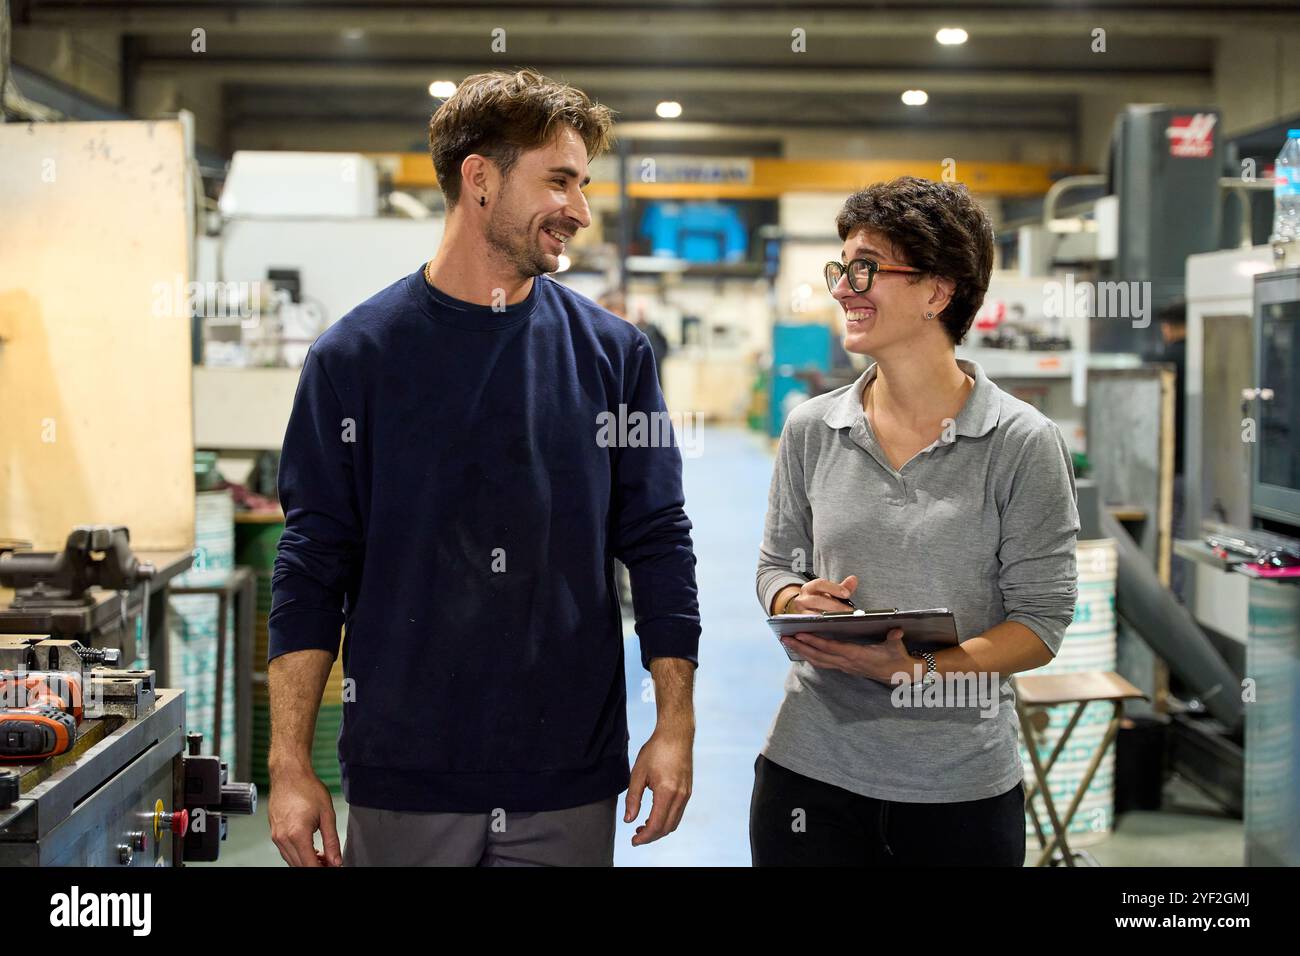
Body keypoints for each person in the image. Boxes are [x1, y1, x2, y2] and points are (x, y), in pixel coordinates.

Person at [267, 70, 700, 867]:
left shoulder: (614, 356)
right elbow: (311, 560)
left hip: (566, 769)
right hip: (406, 771)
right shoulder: (355, 359)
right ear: (479, 180)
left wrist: (675, 727)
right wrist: (290, 763)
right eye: (559, 181)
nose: (579, 209)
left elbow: (659, 540)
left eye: (584, 184)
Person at [751, 177, 1080, 867]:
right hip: (811, 770)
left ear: (938, 291)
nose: (843, 287)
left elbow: (1040, 623)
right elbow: (775, 563)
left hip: (956, 788)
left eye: (865, 268)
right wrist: (791, 597)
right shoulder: (814, 427)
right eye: (840, 268)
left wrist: (919, 669)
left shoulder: (1021, 442)